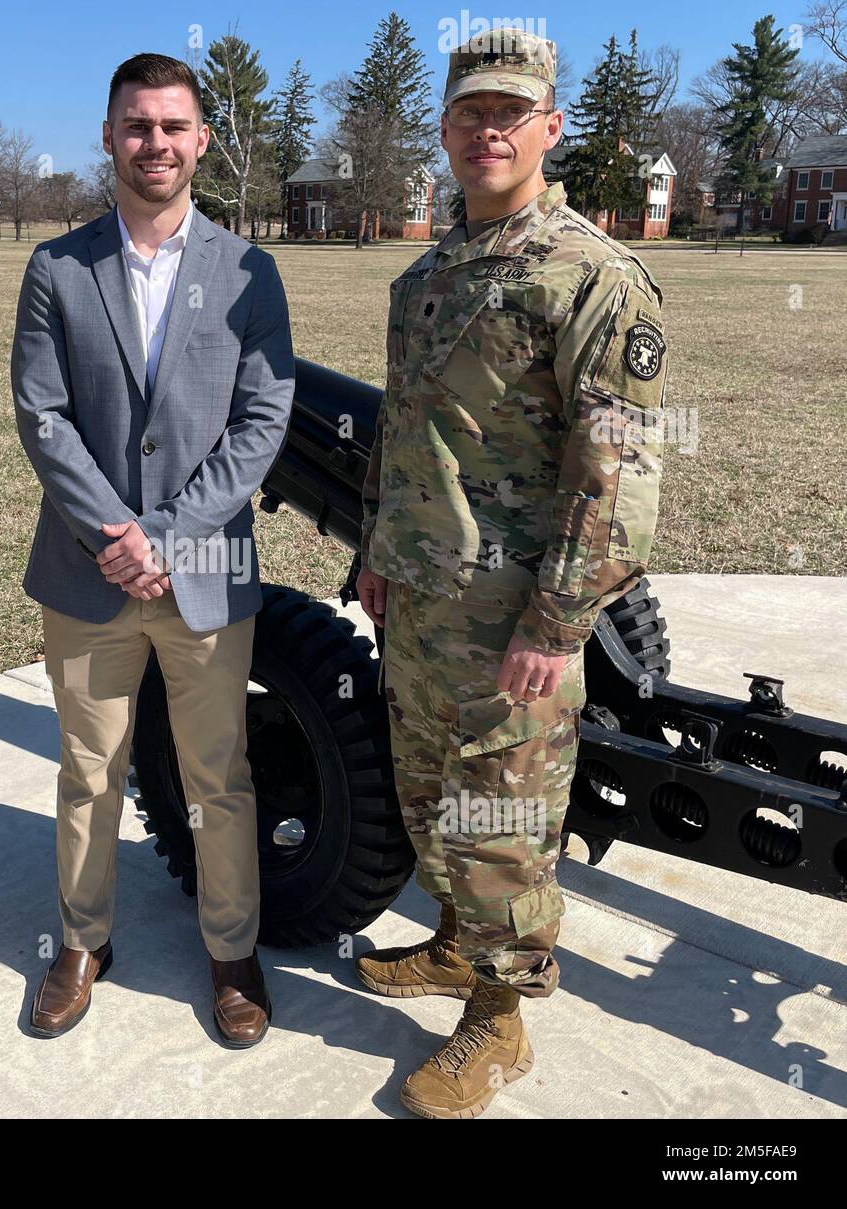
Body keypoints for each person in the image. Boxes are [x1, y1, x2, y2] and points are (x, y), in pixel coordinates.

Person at [353, 29, 667, 1118]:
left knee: (503, 824)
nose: (488, 130)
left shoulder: (589, 274)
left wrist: (556, 621)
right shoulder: (426, 275)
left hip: (514, 623)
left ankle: (498, 1021)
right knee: (436, 805)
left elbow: (616, 475)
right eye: (468, 113)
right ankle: (455, 949)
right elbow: (402, 433)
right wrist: (376, 556)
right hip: (424, 607)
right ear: (443, 130)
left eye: (509, 113)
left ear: (549, 127)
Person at [12, 53, 294, 1047]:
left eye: (173, 126)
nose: (155, 143)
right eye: (137, 125)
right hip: (84, 572)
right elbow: (42, 414)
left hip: (206, 570)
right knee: (89, 768)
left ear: (201, 139)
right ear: (108, 135)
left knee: (217, 776)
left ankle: (230, 953)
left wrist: (168, 536)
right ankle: (83, 943)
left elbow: (263, 417)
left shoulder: (249, 272)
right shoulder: (56, 267)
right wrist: (117, 537)